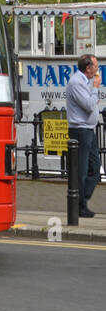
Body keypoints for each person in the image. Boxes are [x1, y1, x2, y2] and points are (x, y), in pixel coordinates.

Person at [67, 53, 100, 218]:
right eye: (95, 66)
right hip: (80, 130)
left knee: (95, 168)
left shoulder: (85, 81)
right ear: (88, 68)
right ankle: (78, 206)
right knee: (82, 170)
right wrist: (95, 88)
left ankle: (81, 200)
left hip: (89, 129)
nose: (97, 68)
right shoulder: (76, 82)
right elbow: (88, 105)